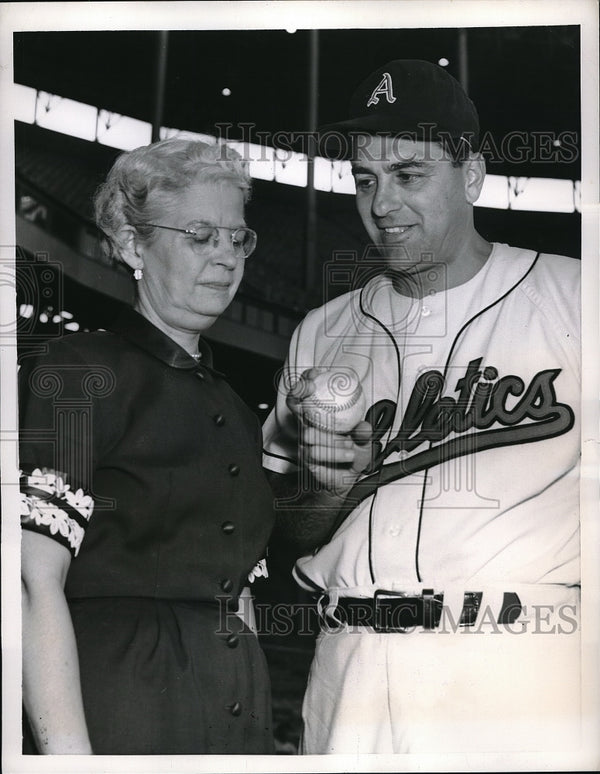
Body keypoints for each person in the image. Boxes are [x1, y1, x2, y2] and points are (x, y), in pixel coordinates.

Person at [263, 60, 581, 754]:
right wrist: (324, 488)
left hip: (520, 668)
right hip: (349, 671)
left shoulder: (574, 298)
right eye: (366, 180)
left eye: (409, 176)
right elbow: (284, 533)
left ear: (471, 175)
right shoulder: (323, 330)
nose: (381, 205)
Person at [19, 138, 275, 755]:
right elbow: (30, 584)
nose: (226, 257)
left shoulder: (237, 409)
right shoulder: (79, 372)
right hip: (123, 707)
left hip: (236, 718)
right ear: (134, 245)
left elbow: (238, 594)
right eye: (199, 235)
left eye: (236, 238)